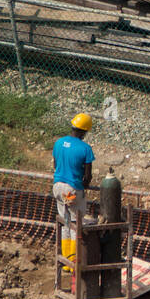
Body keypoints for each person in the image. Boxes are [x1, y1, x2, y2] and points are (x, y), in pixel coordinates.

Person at [52, 114, 95, 270]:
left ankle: (66, 262)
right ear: (84, 131)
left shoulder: (58, 143)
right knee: (76, 223)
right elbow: (87, 176)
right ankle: (74, 263)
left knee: (65, 222)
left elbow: (56, 165)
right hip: (73, 189)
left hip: (57, 187)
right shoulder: (85, 149)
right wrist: (84, 186)